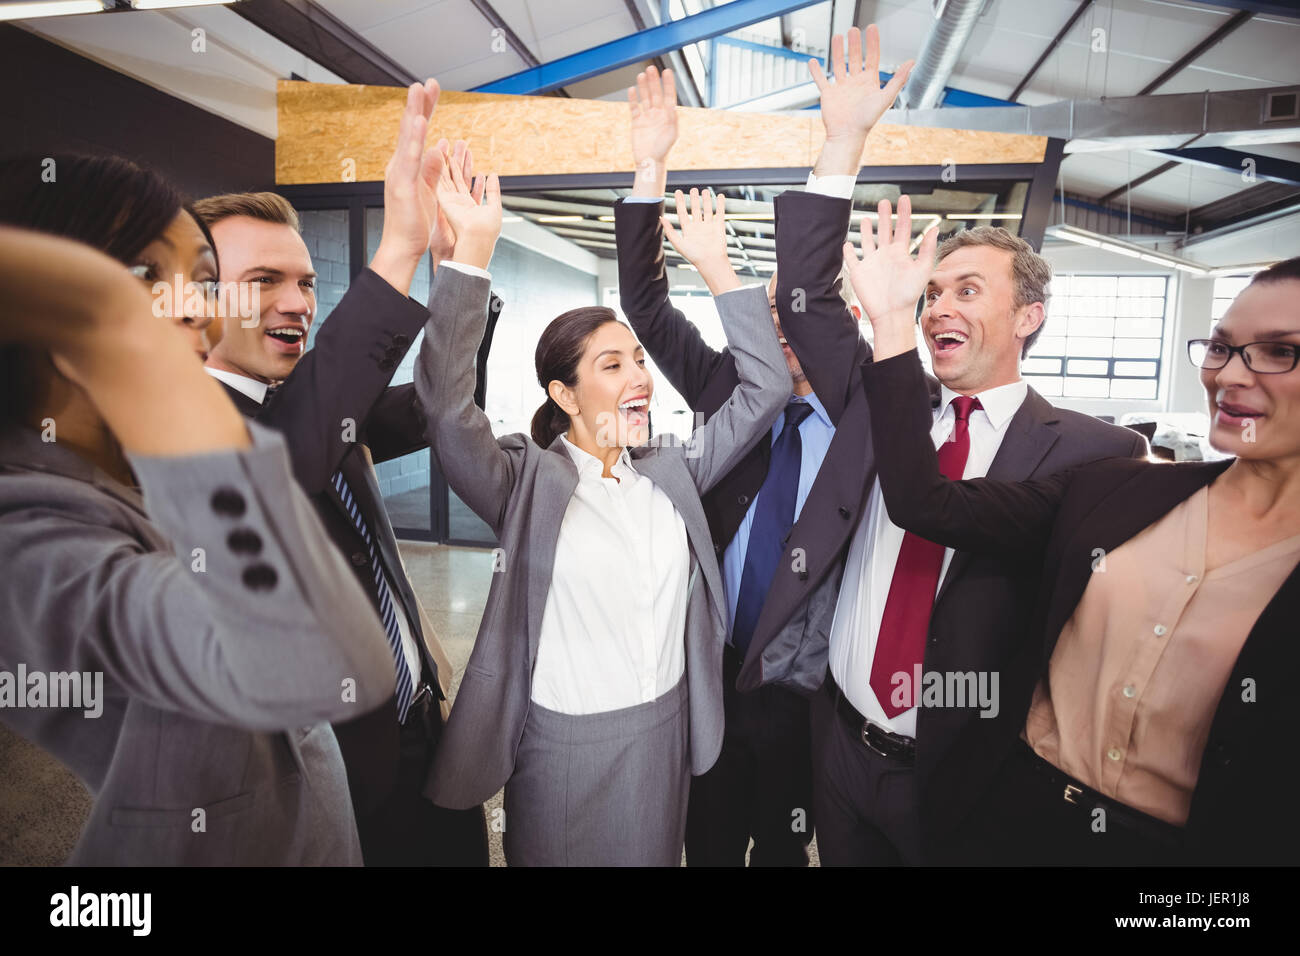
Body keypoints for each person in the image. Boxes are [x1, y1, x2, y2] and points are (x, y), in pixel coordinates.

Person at [849, 204, 1300, 865]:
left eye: (1280, 353)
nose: (1230, 375)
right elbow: (925, 502)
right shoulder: (1118, 490)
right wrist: (890, 321)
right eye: (1224, 346)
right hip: (1008, 818)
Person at [0, 158, 396, 865]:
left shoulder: (137, 470)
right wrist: (127, 341)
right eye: (145, 276)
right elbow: (322, 661)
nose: (202, 310)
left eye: (204, 281)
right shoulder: (26, 534)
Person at [414, 147, 790, 866]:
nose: (639, 375)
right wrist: (470, 255)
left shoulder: (675, 470)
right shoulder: (523, 482)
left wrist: (717, 268)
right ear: (564, 394)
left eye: (639, 359)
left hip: (668, 732)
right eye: (612, 365)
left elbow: (765, 388)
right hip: (562, 747)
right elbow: (444, 407)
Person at [613, 26, 911, 866]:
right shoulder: (727, 392)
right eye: (770, 315)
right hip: (709, 672)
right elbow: (645, 303)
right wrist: (649, 170)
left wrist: (840, 142)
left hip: (798, 693)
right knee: (703, 845)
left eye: (797, 316)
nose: (782, 330)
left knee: (783, 850)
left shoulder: (865, 412)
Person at [194, 80, 491, 866]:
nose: (296, 302)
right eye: (264, 283)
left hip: (425, 729)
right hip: (335, 778)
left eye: (305, 282)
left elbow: (434, 409)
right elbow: (283, 465)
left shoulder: (314, 403)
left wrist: (458, 280)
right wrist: (395, 247)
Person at [793, 206, 1146, 863]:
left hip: (962, 777)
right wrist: (840, 150)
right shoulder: (884, 404)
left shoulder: (1099, 452)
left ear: (1026, 317)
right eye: (930, 294)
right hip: (841, 745)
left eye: (967, 290)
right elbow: (806, 306)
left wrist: (891, 325)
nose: (935, 309)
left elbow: (928, 505)